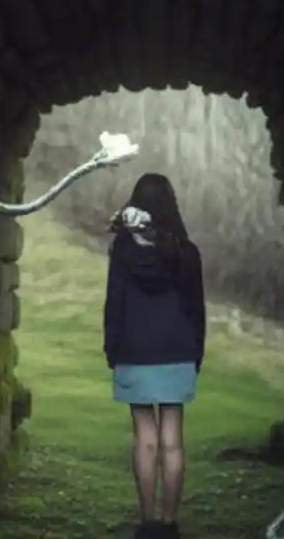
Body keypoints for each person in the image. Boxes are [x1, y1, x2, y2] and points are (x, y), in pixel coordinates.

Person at [103, 173, 206, 539]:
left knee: (145, 438)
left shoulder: (123, 251)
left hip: (135, 350)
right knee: (172, 441)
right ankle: (169, 523)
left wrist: (112, 347)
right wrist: (196, 352)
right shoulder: (187, 253)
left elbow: (114, 301)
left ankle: (147, 523)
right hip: (177, 349)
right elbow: (196, 308)